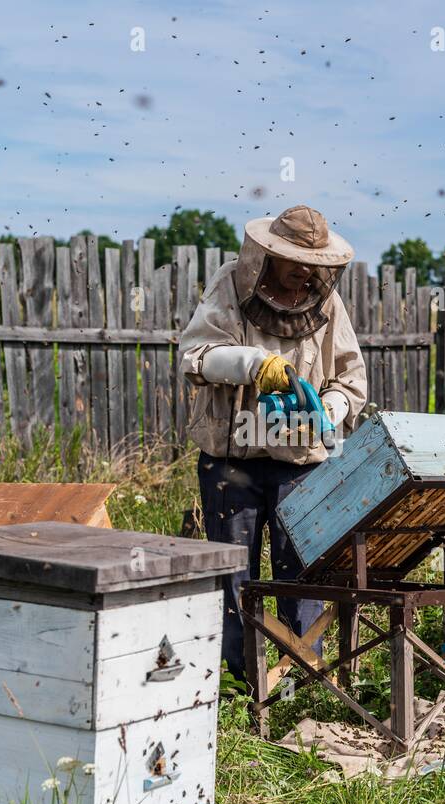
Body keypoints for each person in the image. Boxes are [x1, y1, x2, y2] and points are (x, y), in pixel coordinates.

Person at [178, 205, 367, 681]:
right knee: (233, 575)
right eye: (293, 261)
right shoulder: (229, 285)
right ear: (267, 255)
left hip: (299, 464)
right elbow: (194, 357)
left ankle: (303, 679)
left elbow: (351, 379)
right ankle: (244, 683)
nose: (303, 273)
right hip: (231, 462)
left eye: (312, 264)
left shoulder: (328, 304)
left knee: (300, 574)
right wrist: (253, 364)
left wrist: (328, 410)